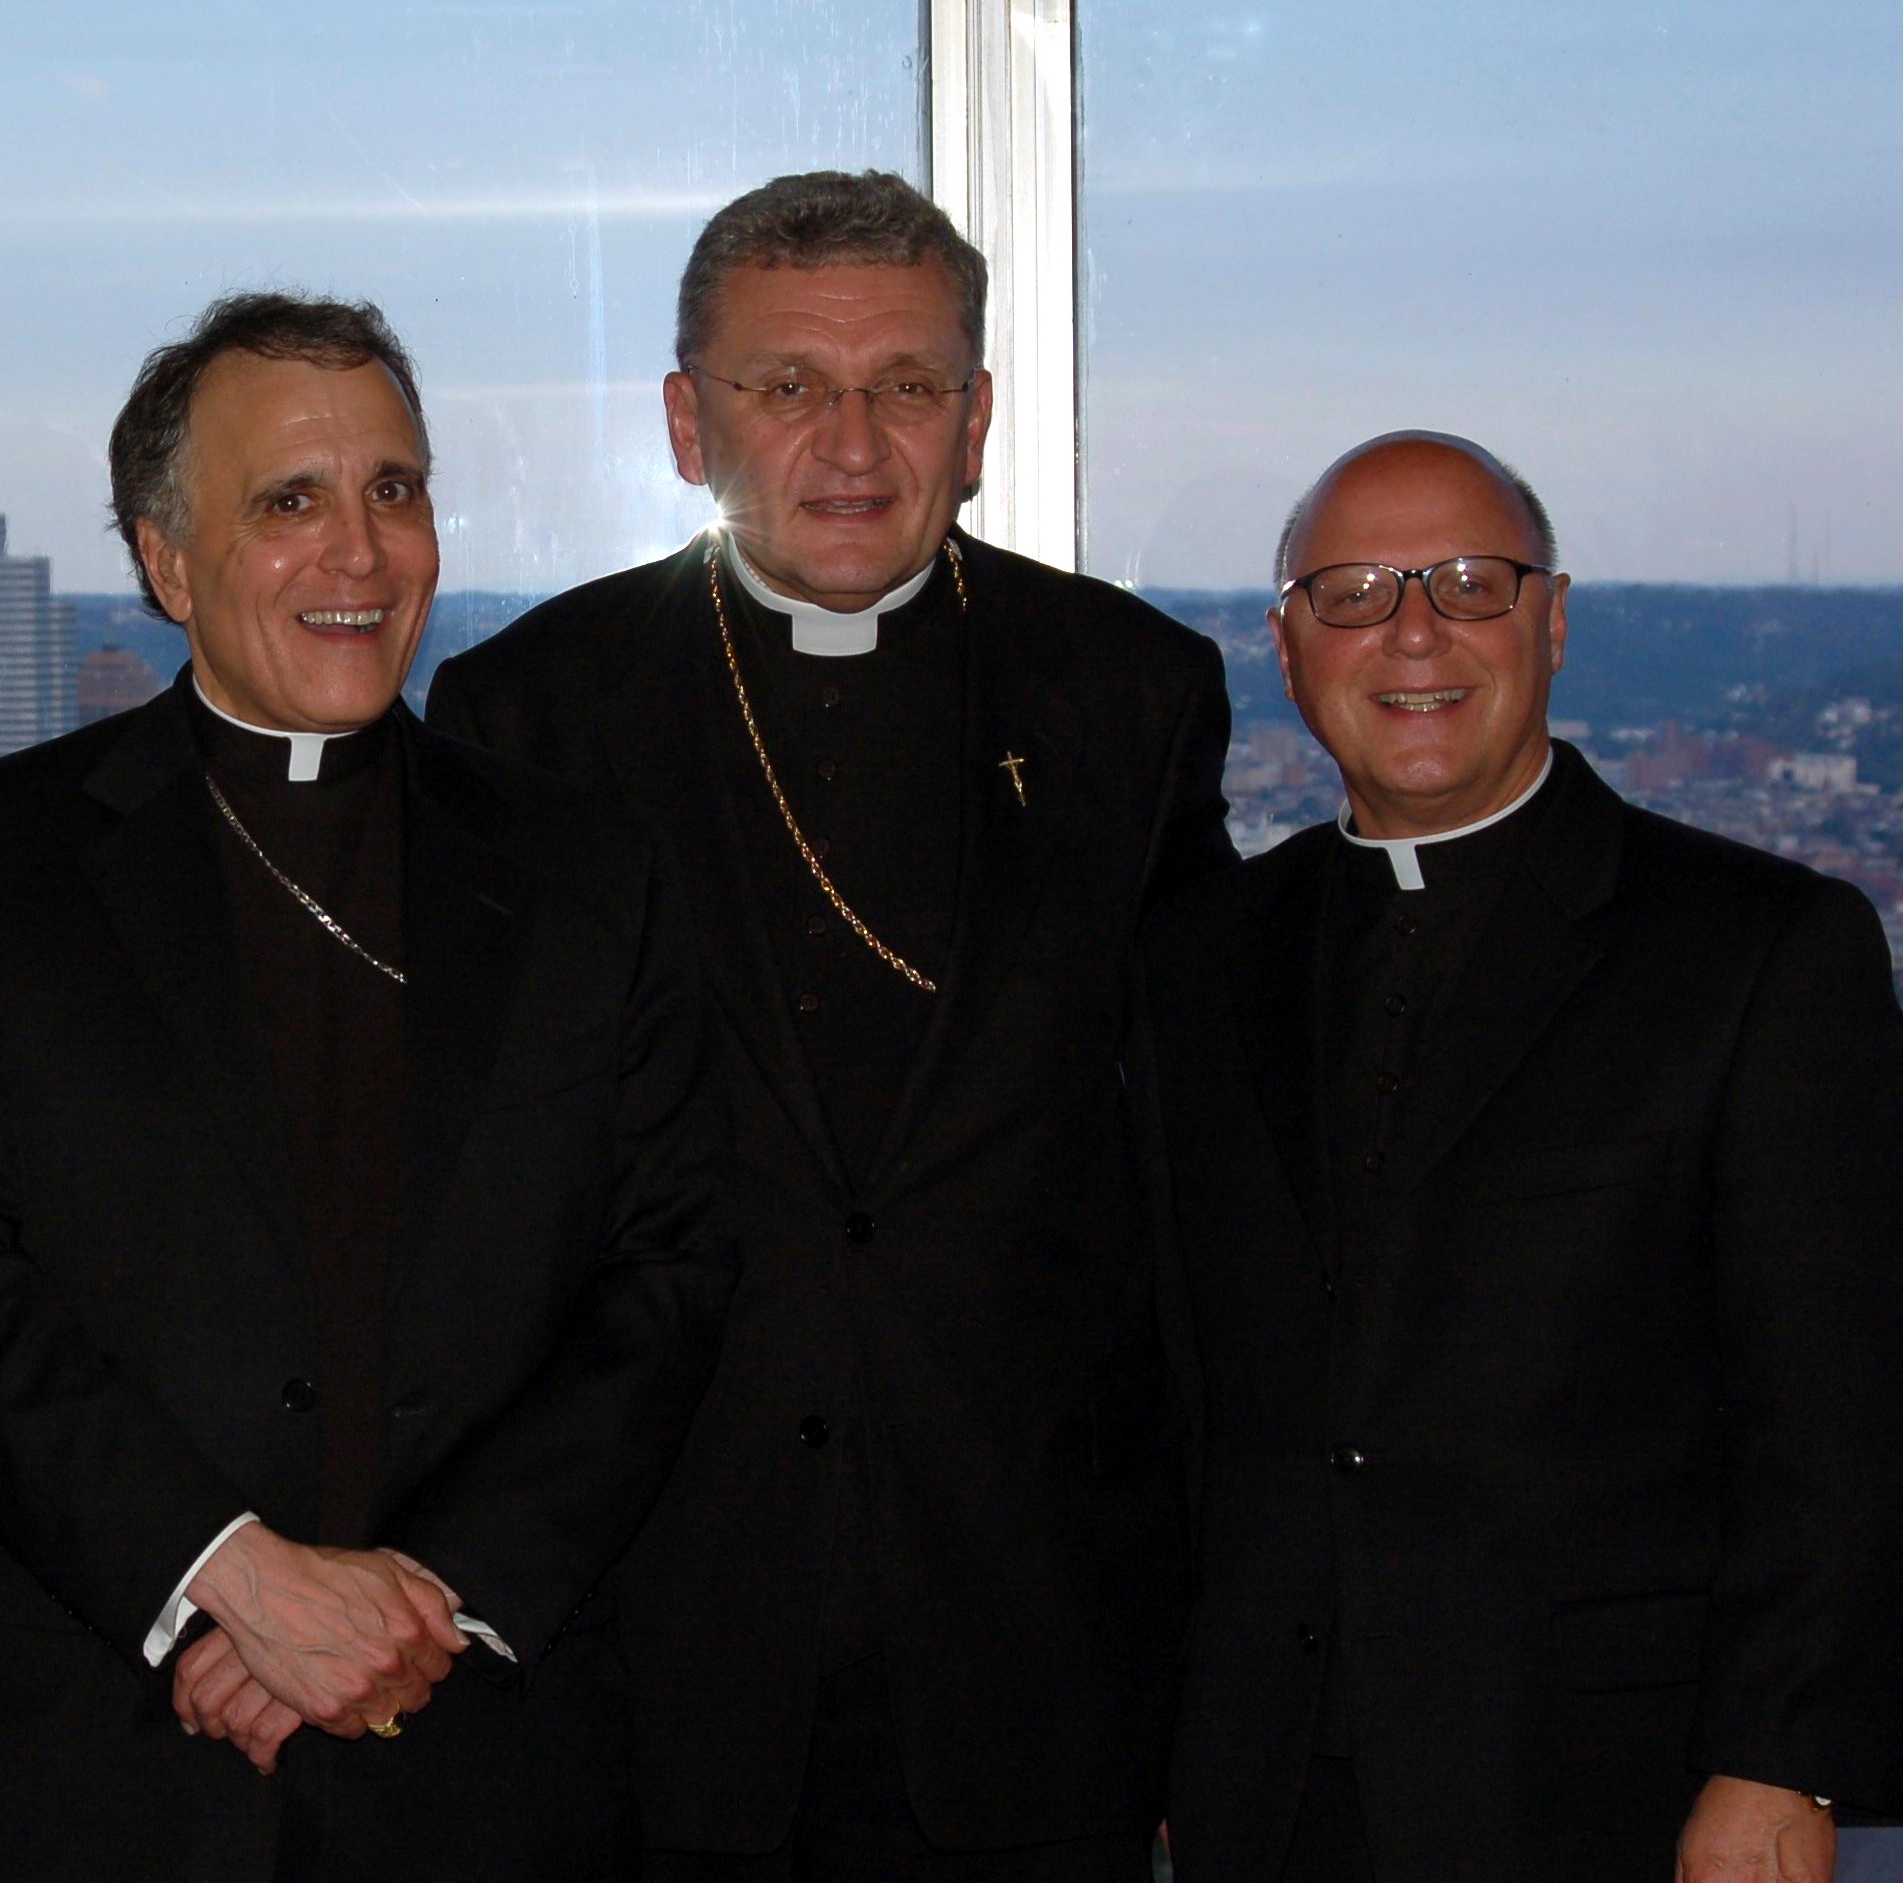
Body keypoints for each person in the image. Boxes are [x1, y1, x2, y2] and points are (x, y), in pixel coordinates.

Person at [0, 290, 734, 1881]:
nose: (358, 550)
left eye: (392, 490)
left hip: (485, 1745)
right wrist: (229, 1581)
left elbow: (666, 1273)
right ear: (165, 561)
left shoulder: (583, 873)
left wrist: (419, 1601)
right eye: (288, 502)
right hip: (105, 1743)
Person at [428, 170, 1234, 1879]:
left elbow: (1188, 1174)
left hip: (1037, 1618)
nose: (851, 443)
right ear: (682, 421)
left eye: (906, 387)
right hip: (658, 1609)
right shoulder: (532, 714)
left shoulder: (1126, 693)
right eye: (786, 385)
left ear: (978, 420)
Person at [1130, 431, 1903, 1882]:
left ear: (1552, 622)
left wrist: (1779, 1755)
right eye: (1352, 592)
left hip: (1615, 1779)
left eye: (1470, 586)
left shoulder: (1755, 948)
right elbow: (1177, 1385)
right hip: (1262, 1775)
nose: (1412, 633)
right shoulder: (1199, 957)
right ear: (1286, 647)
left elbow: (1838, 1407)